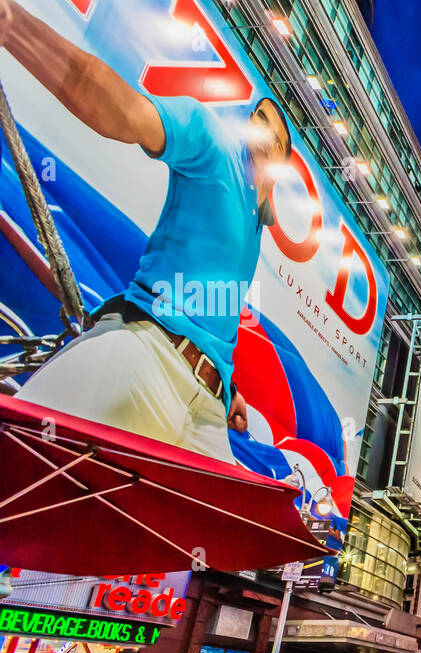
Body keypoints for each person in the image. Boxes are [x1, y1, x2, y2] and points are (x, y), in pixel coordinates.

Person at [0, 0, 294, 460]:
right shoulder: (211, 140)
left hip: (208, 410)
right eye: (257, 120)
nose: (258, 131)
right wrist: (14, 26)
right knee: (23, 457)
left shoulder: (258, 221)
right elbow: (123, 112)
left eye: (270, 131)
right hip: (148, 354)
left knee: (206, 530)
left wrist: (226, 379)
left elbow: (213, 310)